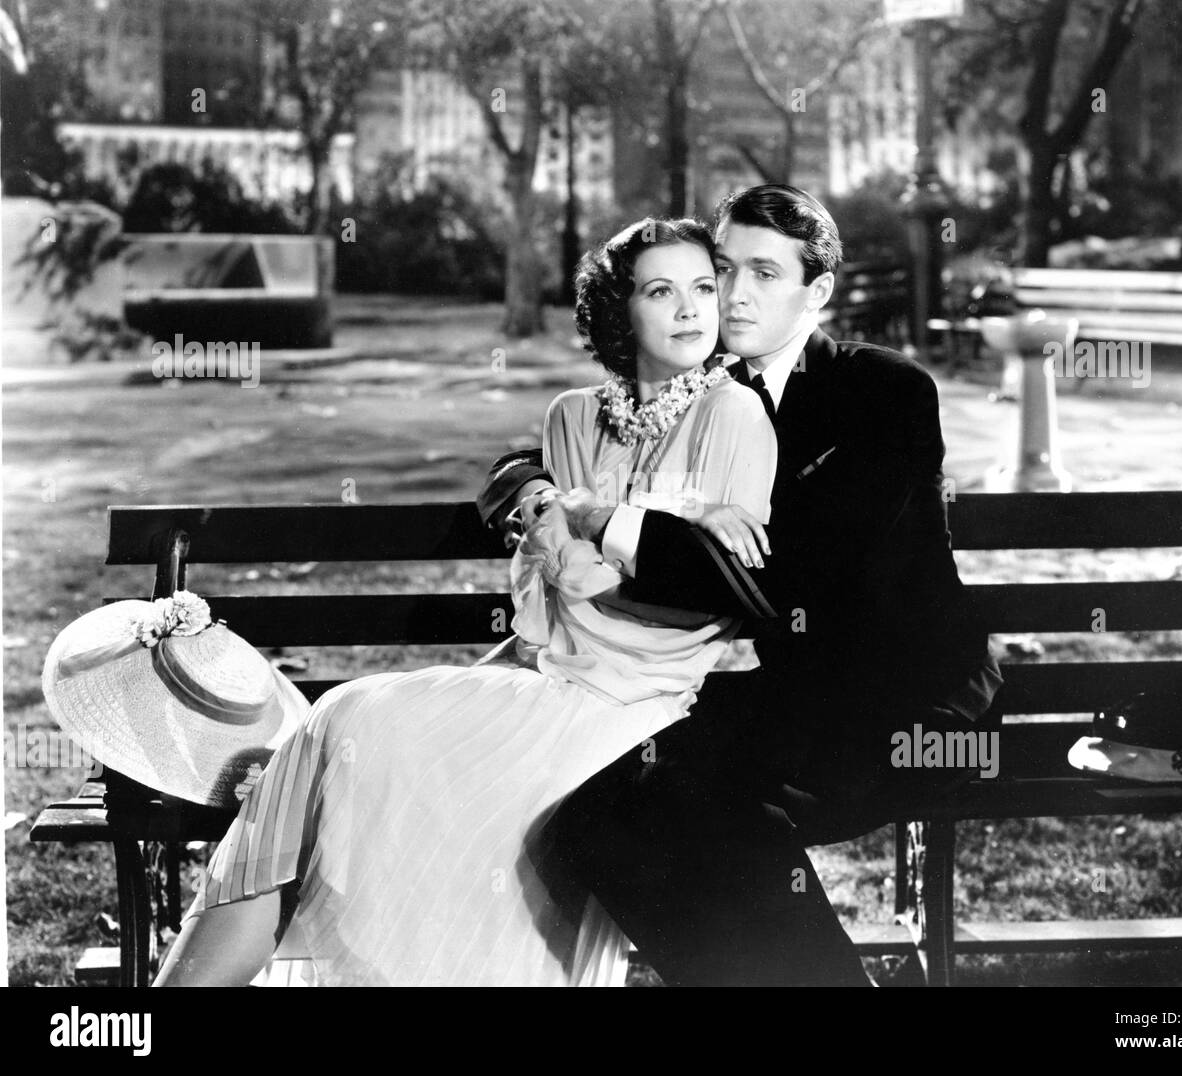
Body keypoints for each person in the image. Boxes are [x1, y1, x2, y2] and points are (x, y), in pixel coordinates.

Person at [154, 217, 778, 986]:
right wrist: (604, 542)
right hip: (539, 681)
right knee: (341, 728)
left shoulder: (734, 415)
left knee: (351, 731)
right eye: (662, 290)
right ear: (621, 312)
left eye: (704, 289)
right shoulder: (572, 418)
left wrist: (577, 522)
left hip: (633, 708)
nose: (691, 310)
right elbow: (554, 596)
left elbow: (693, 607)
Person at [478, 184, 1004, 987]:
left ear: (816, 291)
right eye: (722, 269)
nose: (733, 294)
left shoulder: (887, 393)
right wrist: (537, 492)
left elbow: (788, 571)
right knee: (595, 814)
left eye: (765, 273)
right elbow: (537, 454)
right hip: (790, 694)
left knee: (691, 807)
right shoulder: (697, 389)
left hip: (912, 702)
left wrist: (606, 521)